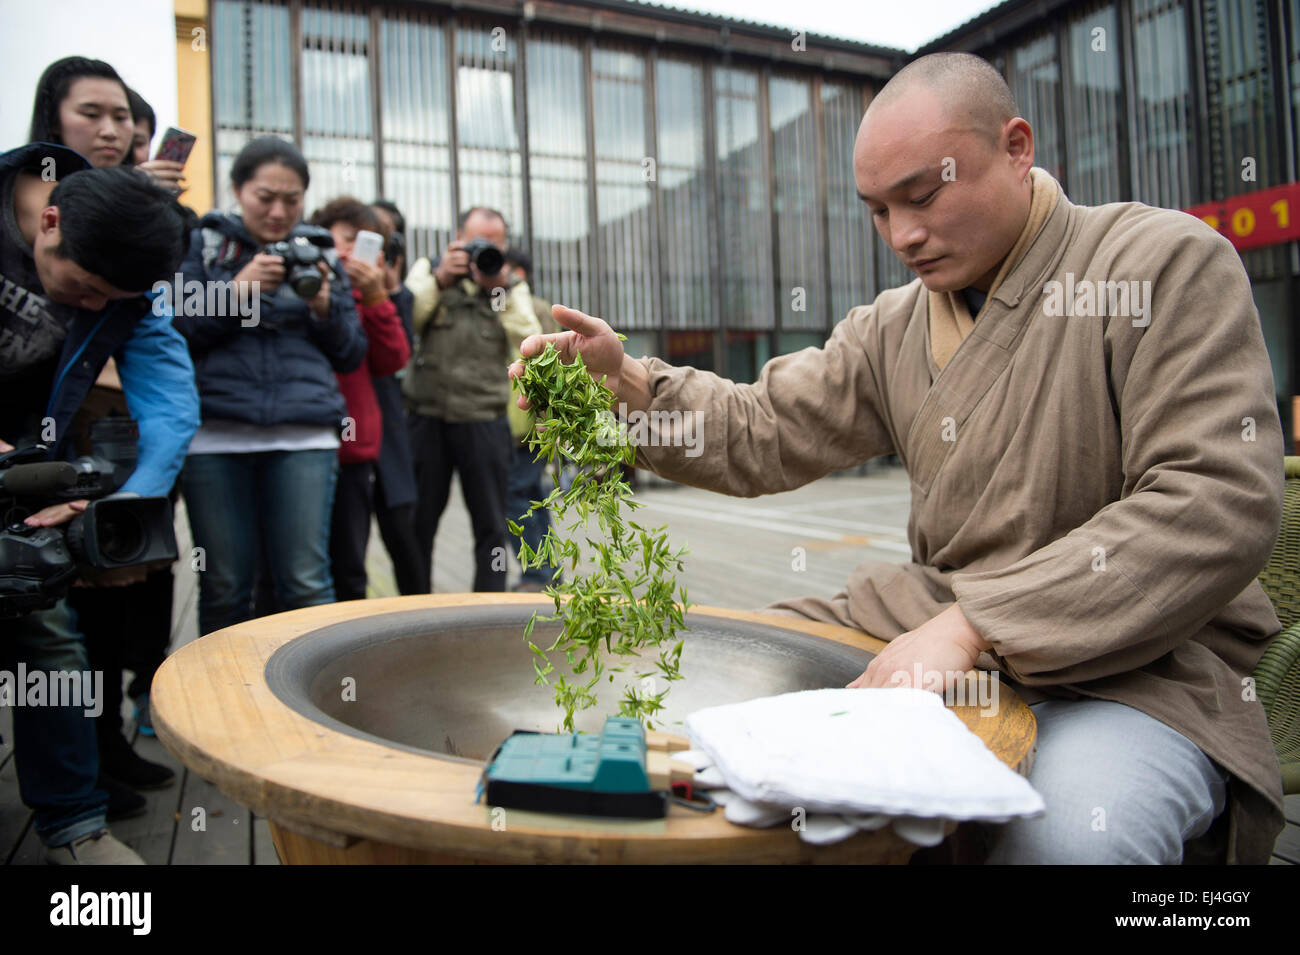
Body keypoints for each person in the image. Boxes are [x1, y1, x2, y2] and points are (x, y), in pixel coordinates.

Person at [511, 53, 1288, 864]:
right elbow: (764, 426)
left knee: (1068, 841)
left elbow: (1215, 499)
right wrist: (630, 388)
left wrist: (979, 620)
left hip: (1142, 668)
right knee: (714, 695)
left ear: (1016, 147)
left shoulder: (1160, 263)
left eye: (924, 196)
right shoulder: (894, 326)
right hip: (932, 622)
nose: (903, 235)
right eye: (878, 211)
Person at [0, 144, 197, 864]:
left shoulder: (126, 286)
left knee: (48, 635)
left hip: (25, 477)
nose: (89, 308)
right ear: (48, 222)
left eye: (108, 303)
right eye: (82, 288)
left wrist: (126, 498)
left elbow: (171, 403)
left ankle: (74, 828)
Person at [174, 136, 366, 636]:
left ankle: (310, 706)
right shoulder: (205, 243)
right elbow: (177, 331)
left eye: (292, 198)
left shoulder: (320, 253)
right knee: (223, 586)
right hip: (215, 436)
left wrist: (323, 308)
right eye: (265, 197)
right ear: (238, 189)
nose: (279, 211)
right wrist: (236, 291)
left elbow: (351, 351)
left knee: (305, 585)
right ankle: (220, 710)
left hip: (303, 436)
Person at [404, 207, 541, 592]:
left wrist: (497, 286)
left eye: (495, 243)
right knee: (420, 523)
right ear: (458, 238)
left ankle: (488, 609)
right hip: (427, 417)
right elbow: (407, 319)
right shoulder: (430, 269)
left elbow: (527, 339)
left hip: (484, 419)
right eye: (476, 240)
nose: (485, 249)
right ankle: (416, 609)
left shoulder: (507, 287)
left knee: (492, 525)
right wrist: (440, 278)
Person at [309, 196, 410, 601]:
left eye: (367, 245)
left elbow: (392, 358)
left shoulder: (369, 296)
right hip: (303, 440)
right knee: (301, 566)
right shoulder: (303, 282)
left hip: (353, 450)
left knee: (351, 566)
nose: (352, 252)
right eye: (346, 239)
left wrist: (374, 298)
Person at [367, 198, 425, 595]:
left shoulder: (399, 296)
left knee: (404, 537)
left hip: (388, 425)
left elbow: (399, 359)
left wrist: (391, 290)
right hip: (344, 430)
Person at [501, 247, 561, 592]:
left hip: (526, 426)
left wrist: (545, 418)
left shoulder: (534, 309)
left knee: (516, 497)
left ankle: (537, 575)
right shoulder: (499, 306)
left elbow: (549, 368)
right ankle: (547, 573)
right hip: (514, 424)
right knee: (532, 496)